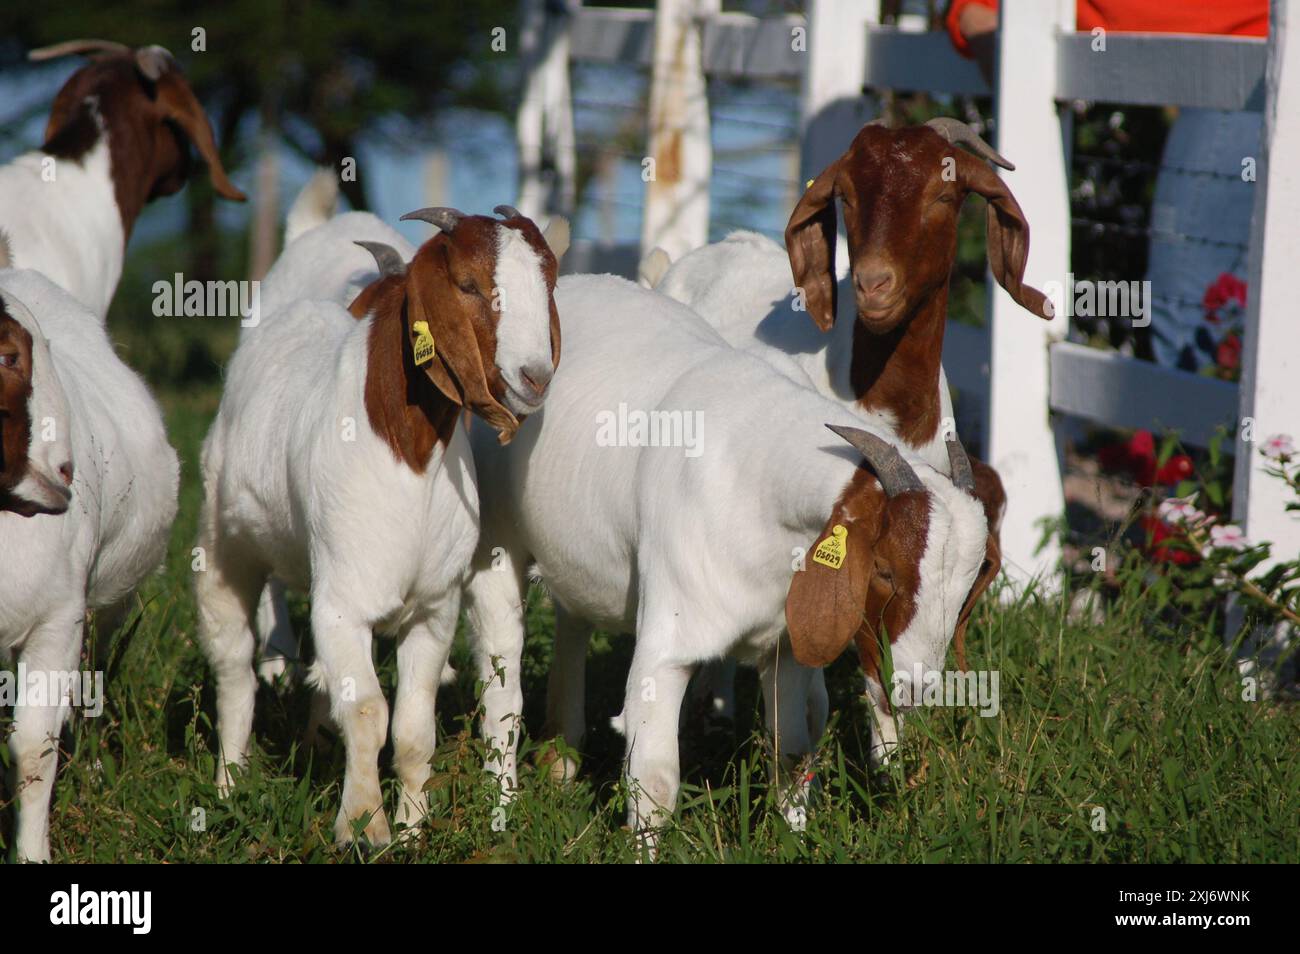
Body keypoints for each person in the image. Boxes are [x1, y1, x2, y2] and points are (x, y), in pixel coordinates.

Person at [946, 0, 1267, 372]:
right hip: (1227, 62)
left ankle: (1201, 427)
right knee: (1216, 320)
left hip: (1241, 61)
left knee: (1188, 323)